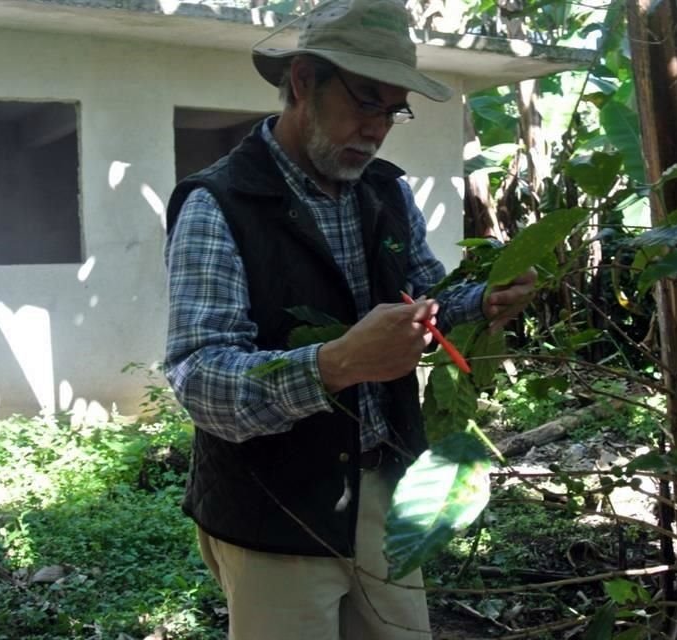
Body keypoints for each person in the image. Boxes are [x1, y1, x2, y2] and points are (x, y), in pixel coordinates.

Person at [163, 0, 535, 637]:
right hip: (274, 511)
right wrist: (335, 364)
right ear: (304, 81)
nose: (378, 129)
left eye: (393, 110)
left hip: (386, 487)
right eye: (366, 101)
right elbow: (200, 380)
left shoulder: (386, 191)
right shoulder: (217, 203)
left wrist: (484, 300)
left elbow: (426, 299)